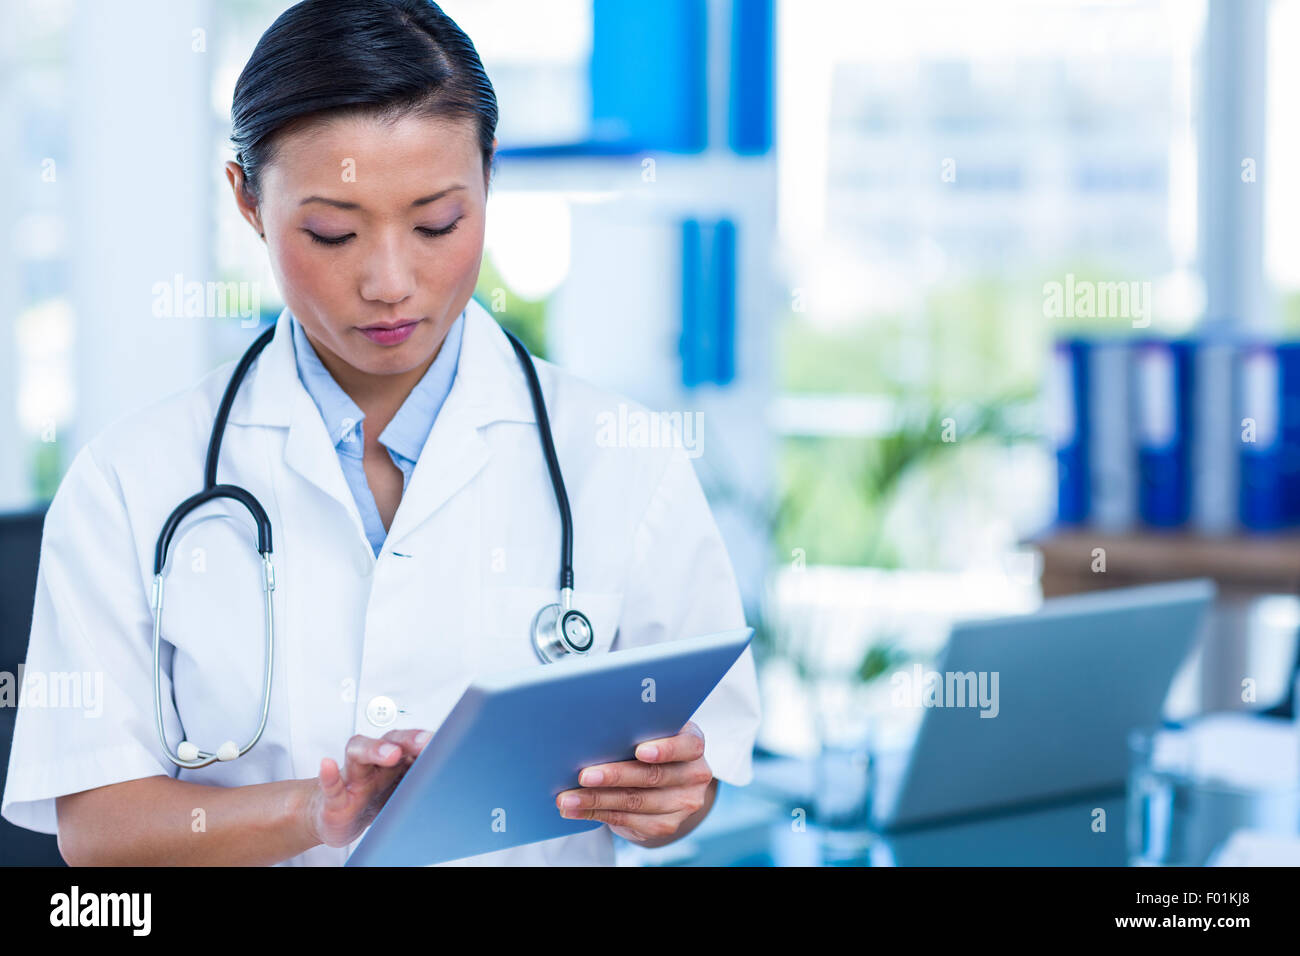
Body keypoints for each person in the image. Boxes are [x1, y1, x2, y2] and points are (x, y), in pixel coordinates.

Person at [0, 0, 760, 866]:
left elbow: (702, 768)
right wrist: (314, 813)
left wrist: (672, 797)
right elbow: (95, 828)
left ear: (489, 178)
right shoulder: (130, 482)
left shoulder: (625, 458)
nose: (391, 282)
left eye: (438, 222)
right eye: (333, 232)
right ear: (247, 199)